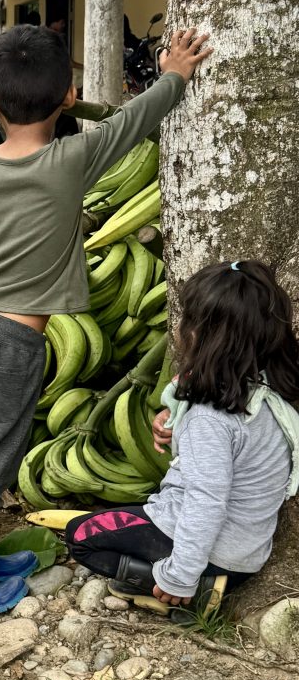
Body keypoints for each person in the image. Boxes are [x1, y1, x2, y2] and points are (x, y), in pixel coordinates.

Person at [0, 25, 212, 622]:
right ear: (69, 96)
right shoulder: (72, 159)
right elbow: (136, 118)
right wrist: (176, 72)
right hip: (8, 343)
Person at [64, 260, 299, 622]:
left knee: (80, 534)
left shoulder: (210, 419)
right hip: (246, 552)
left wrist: (180, 576)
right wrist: (175, 419)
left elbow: (206, 502)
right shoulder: (263, 389)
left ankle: (186, 592)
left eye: (186, 319)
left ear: (203, 339)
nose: (177, 327)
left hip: (209, 555)